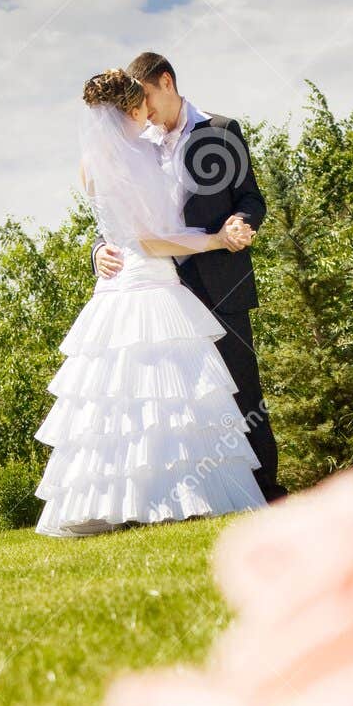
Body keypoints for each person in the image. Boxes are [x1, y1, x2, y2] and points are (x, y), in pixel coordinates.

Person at [34, 68, 266, 538]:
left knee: (124, 401)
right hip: (154, 282)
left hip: (149, 288)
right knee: (173, 395)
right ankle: (177, 498)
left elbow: (243, 198)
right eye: (140, 106)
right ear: (133, 108)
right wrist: (217, 240)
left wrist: (231, 228)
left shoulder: (95, 159)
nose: (148, 114)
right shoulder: (133, 155)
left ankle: (127, 501)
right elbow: (149, 238)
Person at [93, 51, 286, 503]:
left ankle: (265, 492)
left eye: (141, 98)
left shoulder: (220, 131)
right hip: (159, 288)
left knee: (241, 390)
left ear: (166, 82)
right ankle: (193, 498)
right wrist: (98, 249)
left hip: (220, 282)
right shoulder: (135, 144)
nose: (138, 111)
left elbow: (252, 198)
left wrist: (241, 223)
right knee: (176, 404)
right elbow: (119, 215)